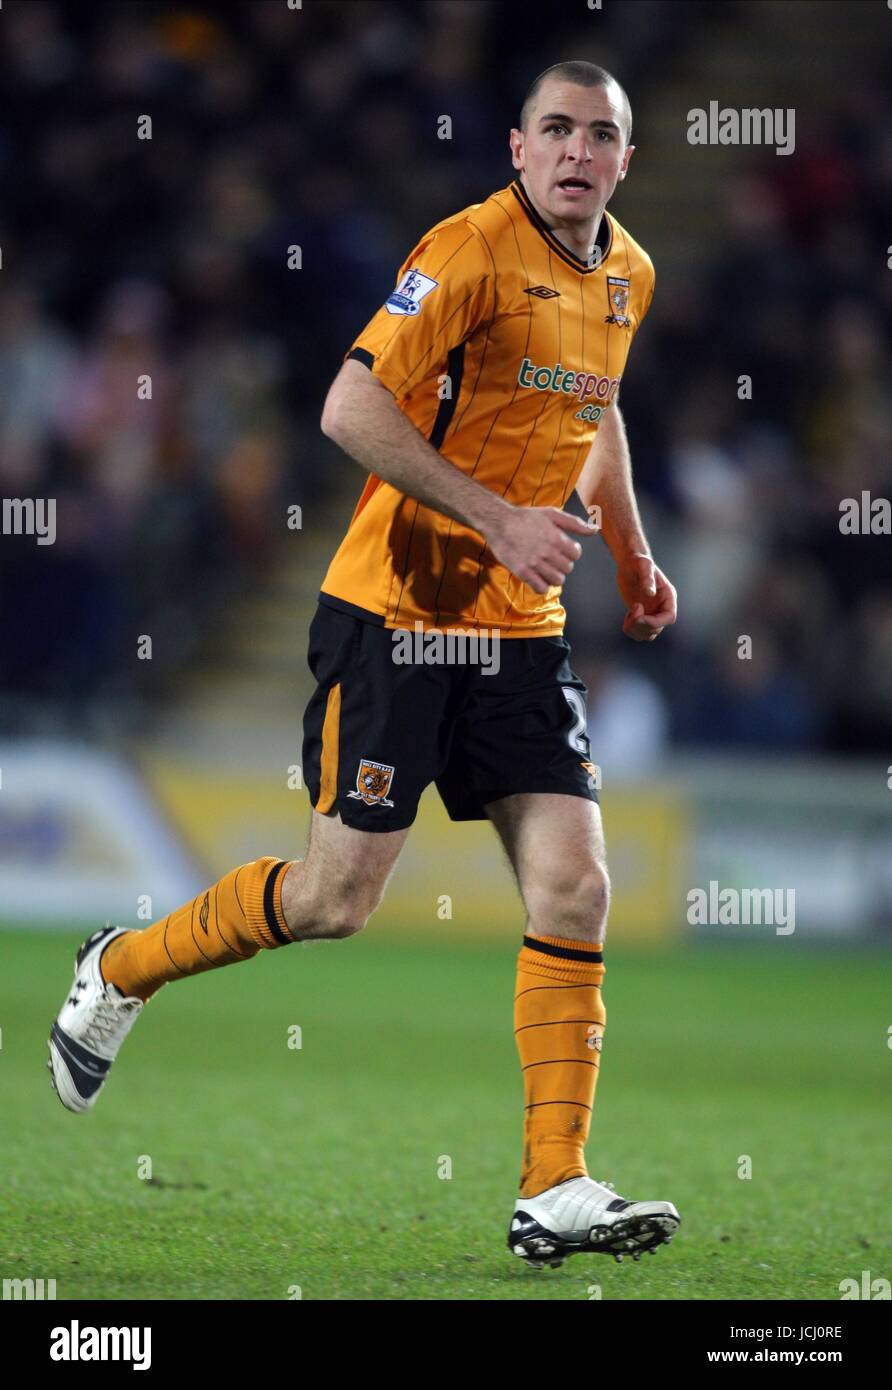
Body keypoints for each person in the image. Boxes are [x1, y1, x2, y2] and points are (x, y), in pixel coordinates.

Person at [49, 60, 679, 1269]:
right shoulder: (466, 250)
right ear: (516, 144)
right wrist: (500, 517)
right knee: (335, 900)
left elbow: (596, 409)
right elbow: (347, 406)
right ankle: (120, 964)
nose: (576, 151)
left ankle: (555, 1183)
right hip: (393, 612)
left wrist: (636, 558)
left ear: (624, 161)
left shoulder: (629, 274)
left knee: (576, 885)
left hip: (518, 632)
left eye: (601, 135)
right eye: (555, 128)